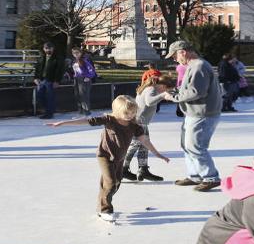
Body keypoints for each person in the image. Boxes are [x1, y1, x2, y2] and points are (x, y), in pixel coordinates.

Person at [46, 95, 169, 224]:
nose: (130, 115)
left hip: (119, 158)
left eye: (133, 112)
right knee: (110, 182)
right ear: (117, 111)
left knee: (115, 184)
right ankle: (106, 210)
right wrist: (63, 123)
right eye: (126, 112)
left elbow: (145, 141)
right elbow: (87, 121)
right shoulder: (109, 120)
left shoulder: (135, 126)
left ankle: (102, 204)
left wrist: (158, 154)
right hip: (104, 156)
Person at [162, 40, 223, 192]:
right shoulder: (193, 66)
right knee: (187, 145)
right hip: (194, 112)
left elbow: (196, 92)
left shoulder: (199, 66)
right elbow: (189, 87)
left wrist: (173, 98)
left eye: (175, 56)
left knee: (196, 146)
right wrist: (175, 91)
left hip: (202, 113)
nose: (175, 59)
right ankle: (194, 175)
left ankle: (211, 177)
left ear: (183, 52)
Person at [122, 74, 177, 182]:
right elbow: (149, 101)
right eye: (166, 90)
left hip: (141, 122)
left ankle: (143, 169)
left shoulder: (152, 88)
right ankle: (122, 169)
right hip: (138, 123)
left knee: (144, 146)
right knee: (134, 145)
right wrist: (163, 95)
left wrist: (173, 92)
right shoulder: (151, 89)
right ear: (163, 86)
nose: (164, 92)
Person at [33, 42, 63, 119]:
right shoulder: (41, 58)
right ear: (43, 49)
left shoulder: (58, 58)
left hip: (51, 80)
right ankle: (48, 111)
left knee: (50, 97)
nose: (47, 50)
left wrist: (57, 81)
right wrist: (35, 78)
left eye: (49, 48)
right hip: (41, 80)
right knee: (40, 96)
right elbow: (37, 69)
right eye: (46, 48)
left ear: (53, 49)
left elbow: (59, 70)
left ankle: (49, 113)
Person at [70, 46, 97, 116]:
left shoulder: (85, 60)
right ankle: (81, 110)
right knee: (77, 95)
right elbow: (74, 70)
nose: (76, 54)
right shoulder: (74, 61)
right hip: (77, 79)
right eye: (74, 53)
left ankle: (86, 111)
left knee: (84, 96)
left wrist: (89, 77)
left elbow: (91, 70)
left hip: (84, 79)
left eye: (77, 53)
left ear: (80, 53)